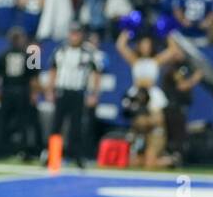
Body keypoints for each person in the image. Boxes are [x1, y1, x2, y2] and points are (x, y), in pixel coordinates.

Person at [114, 29, 176, 169]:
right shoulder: (135, 60)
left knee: (156, 120)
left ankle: (167, 159)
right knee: (130, 163)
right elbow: (120, 46)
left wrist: (168, 32)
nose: (145, 47)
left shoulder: (156, 61)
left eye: (148, 45)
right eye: (143, 44)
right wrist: (128, 29)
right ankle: (144, 151)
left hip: (152, 94)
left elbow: (172, 50)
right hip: (138, 95)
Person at [48, 24, 102, 167]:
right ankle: (53, 157)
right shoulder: (60, 50)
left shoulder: (88, 52)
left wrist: (94, 94)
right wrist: (50, 90)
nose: (74, 37)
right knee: (56, 125)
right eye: (72, 33)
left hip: (78, 93)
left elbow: (96, 73)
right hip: (62, 91)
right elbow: (53, 71)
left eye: (77, 34)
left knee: (76, 127)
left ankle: (77, 156)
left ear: (81, 35)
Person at [0, 26, 41, 160]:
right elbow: (33, 78)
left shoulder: (4, 54)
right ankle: (23, 152)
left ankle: (1, 151)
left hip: (11, 90)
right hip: (20, 91)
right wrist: (34, 94)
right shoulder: (30, 55)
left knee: (6, 122)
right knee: (21, 122)